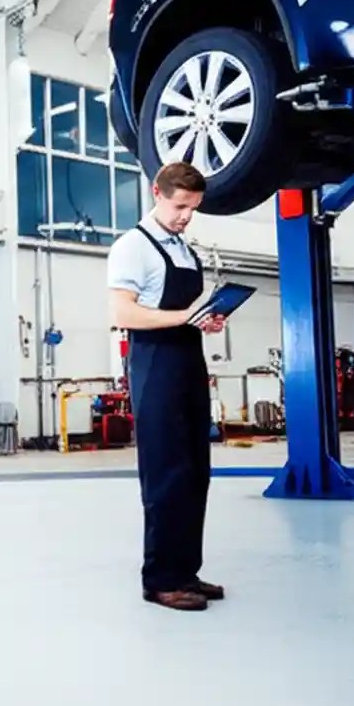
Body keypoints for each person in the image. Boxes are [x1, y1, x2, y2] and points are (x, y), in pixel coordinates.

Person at [106, 162, 227, 612]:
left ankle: (185, 572)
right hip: (155, 360)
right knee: (165, 471)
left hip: (188, 358)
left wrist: (205, 319)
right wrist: (183, 317)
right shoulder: (132, 247)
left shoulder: (183, 248)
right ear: (157, 192)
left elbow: (182, 311)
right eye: (179, 207)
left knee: (194, 470)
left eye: (193, 209)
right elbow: (123, 313)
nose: (185, 216)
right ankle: (160, 580)